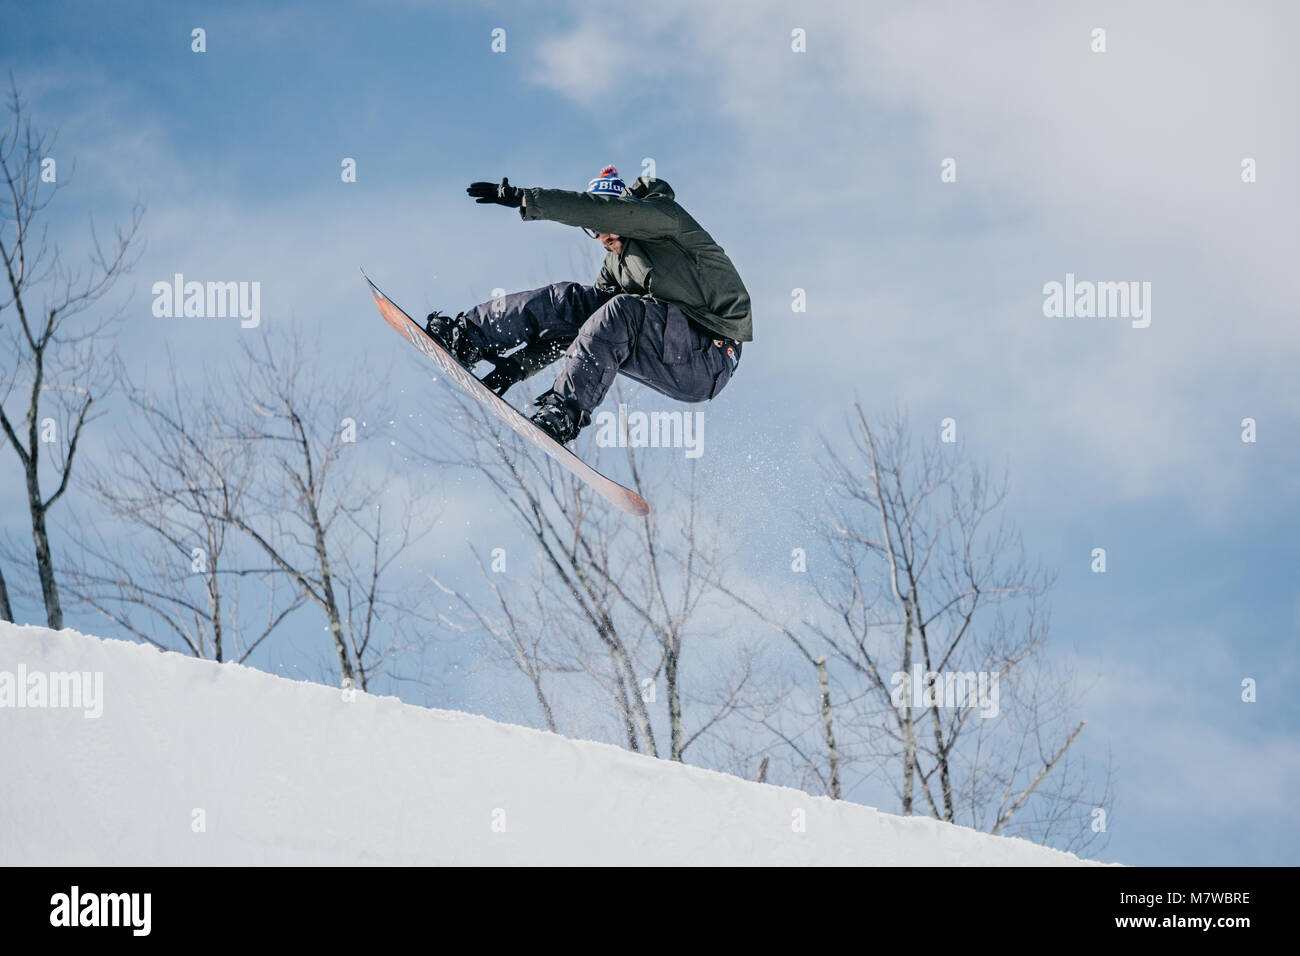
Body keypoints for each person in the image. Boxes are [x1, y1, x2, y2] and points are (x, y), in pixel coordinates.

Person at [425, 165, 751, 444]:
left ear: (622, 211)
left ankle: (565, 413)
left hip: (709, 356)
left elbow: (611, 213)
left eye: (603, 223)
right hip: (667, 345)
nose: (601, 236)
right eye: (593, 231)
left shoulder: (664, 221)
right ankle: (468, 338)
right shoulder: (616, 267)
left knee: (620, 310)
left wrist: (526, 199)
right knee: (574, 301)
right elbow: (587, 327)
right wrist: (518, 367)